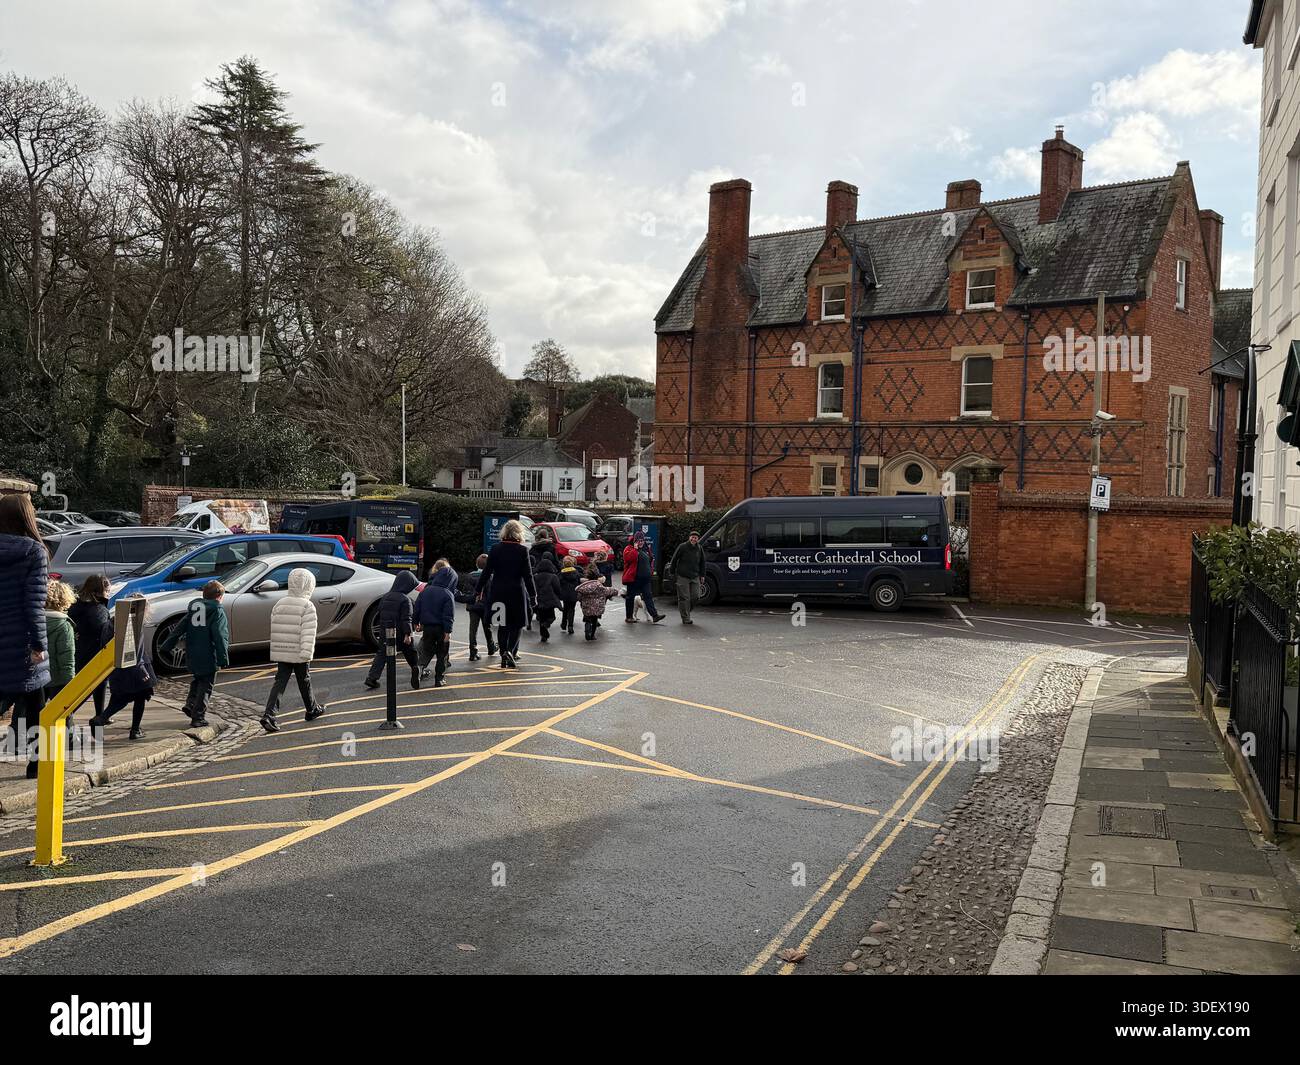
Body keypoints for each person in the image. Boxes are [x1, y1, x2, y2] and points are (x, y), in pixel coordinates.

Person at [0, 493, 50, 778]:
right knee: (37, 708)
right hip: (21, 643)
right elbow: (33, 605)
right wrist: (39, 645)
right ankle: (36, 765)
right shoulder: (33, 551)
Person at [260, 567, 326, 732]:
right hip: (298, 650)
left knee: (280, 682)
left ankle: (269, 714)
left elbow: (276, 629)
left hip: (283, 650)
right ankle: (311, 710)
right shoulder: (307, 606)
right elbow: (308, 633)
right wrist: (306, 653)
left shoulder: (279, 604)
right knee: (304, 679)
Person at [160, 580, 229, 728]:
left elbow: (179, 628)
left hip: (192, 653)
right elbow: (220, 636)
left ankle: (190, 704)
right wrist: (223, 657)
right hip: (208, 654)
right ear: (218, 596)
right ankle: (198, 716)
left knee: (198, 680)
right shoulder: (217, 611)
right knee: (206, 686)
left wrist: (166, 646)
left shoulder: (195, 609)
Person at [476, 519, 536, 669]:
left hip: (498, 593)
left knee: (502, 625)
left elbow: (486, 572)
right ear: (519, 533)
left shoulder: (495, 549)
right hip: (516, 593)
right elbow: (528, 575)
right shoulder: (522, 551)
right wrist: (533, 595)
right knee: (517, 625)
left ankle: (503, 654)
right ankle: (510, 651)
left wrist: (478, 589)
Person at [364, 570, 420, 690]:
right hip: (401, 633)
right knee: (410, 652)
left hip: (386, 632)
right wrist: (408, 634)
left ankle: (372, 678)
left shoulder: (385, 597)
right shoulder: (406, 600)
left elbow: (380, 612)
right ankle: (416, 668)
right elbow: (407, 619)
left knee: (382, 654)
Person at [68, 574, 112, 720]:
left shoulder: (76, 604)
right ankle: (66, 717)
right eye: (107, 591)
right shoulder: (99, 609)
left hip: (78, 650)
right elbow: (101, 631)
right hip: (93, 653)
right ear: (100, 591)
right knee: (86, 690)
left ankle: (99, 714)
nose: (109, 594)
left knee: (82, 688)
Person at [90, 647, 157, 741]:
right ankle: (135, 730)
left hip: (117, 665)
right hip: (134, 664)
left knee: (120, 699)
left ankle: (100, 719)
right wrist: (142, 669)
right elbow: (138, 646)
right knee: (140, 696)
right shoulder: (133, 631)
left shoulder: (109, 631)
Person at [414, 560, 456, 687]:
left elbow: (417, 608)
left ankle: (419, 669)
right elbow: (448, 616)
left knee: (427, 650)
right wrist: (448, 632)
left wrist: (417, 622)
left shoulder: (426, 591)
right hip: (441, 628)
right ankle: (439, 678)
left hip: (427, 627)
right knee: (442, 654)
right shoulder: (447, 594)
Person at [455, 553, 496, 660]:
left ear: (476, 564)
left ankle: (473, 652)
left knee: (473, 629)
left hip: (473, 605)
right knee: (487, 627)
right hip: (485, 606)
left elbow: (465, 591)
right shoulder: (490, 577)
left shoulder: (469, 576)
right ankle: (491, 647)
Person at [44, 580, 76, 702]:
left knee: (24, 712)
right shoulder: (63, 625)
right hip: (56, 679)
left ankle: (19, 722)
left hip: (34, 677)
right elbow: (66, 656)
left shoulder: (33, 621)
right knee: (62, 713)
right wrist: (70, 681)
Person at [622, 532, 664, 623]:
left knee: (648, 596)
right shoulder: (629, 548)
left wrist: (651, 570)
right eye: (638, 540)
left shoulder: (645, 549)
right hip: (634, 578)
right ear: (634, 541)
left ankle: (655, 616)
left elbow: (650, 560)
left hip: (645, 579)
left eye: (642, 540)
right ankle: (629, 617)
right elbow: (628, 559)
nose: (640, 542)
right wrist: (635, 549)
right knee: (630, 597)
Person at [670, 530, 707, 625]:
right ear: (689, 537)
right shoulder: (682, 547)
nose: (693, 539)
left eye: (695, 538)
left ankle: (686, 611)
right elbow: (674, 559)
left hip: (695, 576)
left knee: (696, 596)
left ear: (698, 539)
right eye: (692, 537)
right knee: (684, 598)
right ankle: (685, 618)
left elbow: (703, 562)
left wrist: (702, 575)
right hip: (682, 576)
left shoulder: (699, 548)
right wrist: (672, 572)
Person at [576, 563, 618, 641]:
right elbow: (607, 591)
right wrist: (616, 592)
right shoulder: (599, 586)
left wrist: (581, 600)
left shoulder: (583, 587)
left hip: (587, 607)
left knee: (587, 619)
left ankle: (587, 630)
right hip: (597, 607)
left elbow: (579, 597)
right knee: (594, 621)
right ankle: (592, 635)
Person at [532, 555, 562, 642]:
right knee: (551, 617)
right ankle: (546, 625)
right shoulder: (553, 577)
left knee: (542, 618)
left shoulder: (535, 576)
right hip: (550, 599)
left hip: (539, 599)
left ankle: (543, 636)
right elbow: (557, 588)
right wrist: (558, 596)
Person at [558, 553, 581, 634]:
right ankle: (570, 626)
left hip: (564, 594)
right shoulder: (576, 573)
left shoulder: (561, 574)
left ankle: (564, 623)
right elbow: (579, 583)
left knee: (565, 609)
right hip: (573, 594)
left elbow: (558, 583)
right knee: (572, 609)